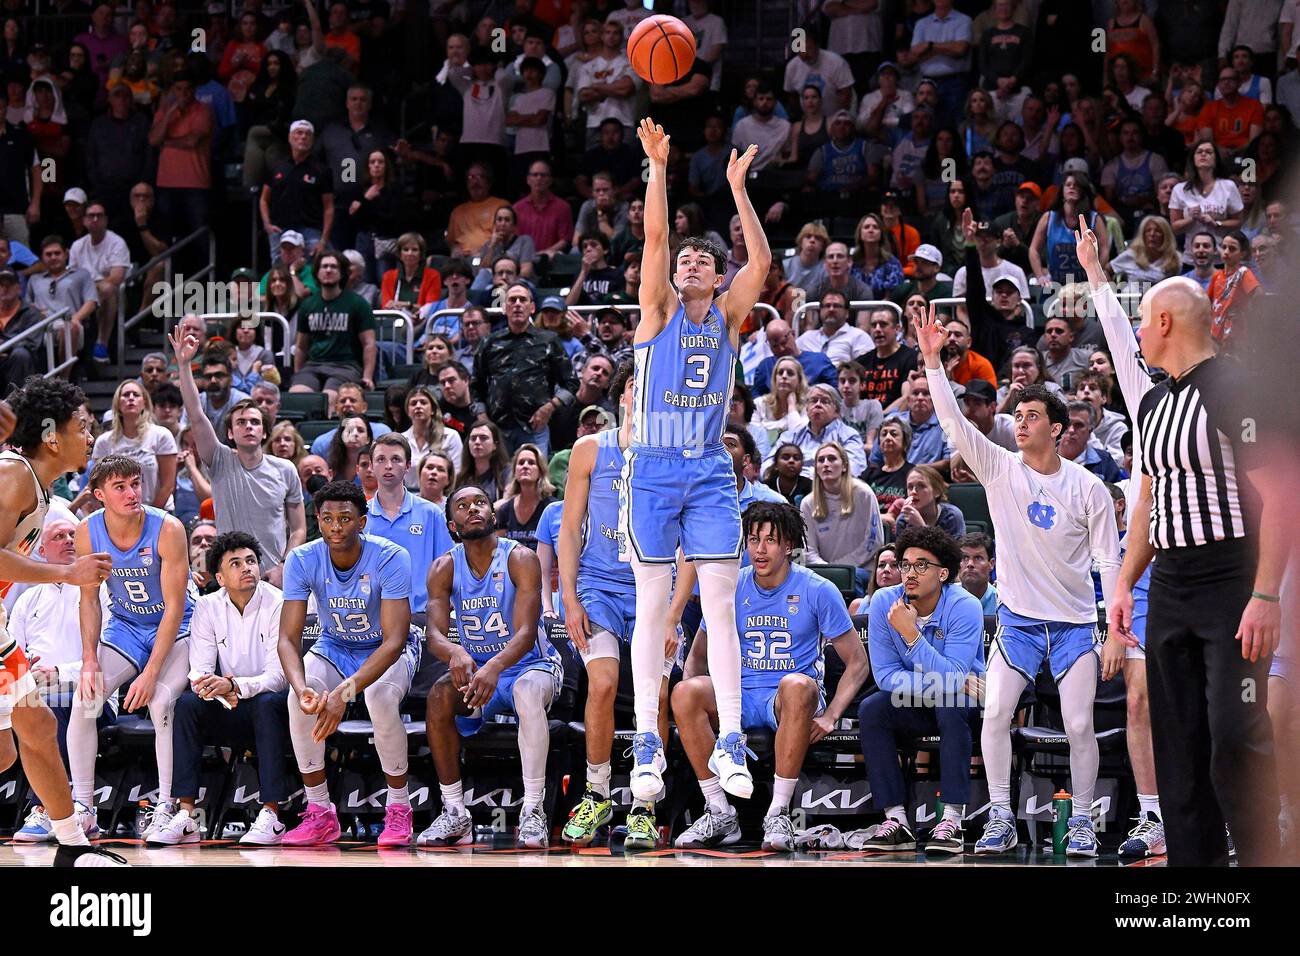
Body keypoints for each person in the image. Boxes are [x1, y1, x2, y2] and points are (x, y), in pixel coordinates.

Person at [1081, 226, 1282, 867]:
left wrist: (1265, 594)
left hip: (1232, 580)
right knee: (1179, 743)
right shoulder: (1154, 404)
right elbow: (1148, 501)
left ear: (1164, 320)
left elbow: (1281, 495)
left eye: (1144, 322)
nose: (1139, 333)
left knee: (1234, 735)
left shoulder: (1235, 389)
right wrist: (1121, 584)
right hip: (1169, 583)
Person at [914, 300, 1120, 858]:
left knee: (1079, 724)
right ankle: (1002, 816)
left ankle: (1081, 822)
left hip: (1077, 625)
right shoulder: (1001, 469)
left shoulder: (1088, 488)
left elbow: (1109, 563)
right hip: (1020, 623)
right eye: (1018, 415)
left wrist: (1115, 630)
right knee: (997, 712)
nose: (1018, 422)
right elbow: (954, 424)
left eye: (1030, 416)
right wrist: (934, 363)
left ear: (1054, 428)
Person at [622, 119, 771, 803]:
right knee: (652, 609)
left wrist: (739, 190)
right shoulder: (655, 312)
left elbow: (762, 266)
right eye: (684, 261)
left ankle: (733, 739)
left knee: (720, 603)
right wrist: (658, 167)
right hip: (652, 468)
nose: (688, 265)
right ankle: (646, 745)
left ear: (718, 276)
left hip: (709, 467)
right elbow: (656, 236)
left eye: (702, 262)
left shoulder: (730, 317)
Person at [674, 501, 865, 850]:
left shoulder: (819, 589)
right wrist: (697, 708)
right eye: (753, 539)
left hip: (788, 699)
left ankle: (778, 812)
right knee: (685, 692)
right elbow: (697, 656)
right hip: (737, 696)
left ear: (789, 545)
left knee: (795, 683)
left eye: (770, 540)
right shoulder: (731, 586)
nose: (759, 549)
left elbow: (857, 662)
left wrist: (832, 715)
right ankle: (719, 810)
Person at [557, 359, 678, 849]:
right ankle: (597, 790)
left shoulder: (678, 454)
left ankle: (645, 807)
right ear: (624, 394)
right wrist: (568, 599)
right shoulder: (590, 449)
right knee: (603, 682)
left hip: (655, 589)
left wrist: (673, 613)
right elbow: (568, 529)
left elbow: (690, 541)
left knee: (659, 696)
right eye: (635, 383)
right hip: (599, 586)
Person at [277, 480, 420, 847]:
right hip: (335, 645)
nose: (336, 526)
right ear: (317, 521)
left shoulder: (391, 556)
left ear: (362, 521)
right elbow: (288, 640)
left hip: (388, 649)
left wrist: (347, 690)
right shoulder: (302, 558)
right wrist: (301, 687)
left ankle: (400, 809)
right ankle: (320, 812)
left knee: (379, 698)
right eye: (327, 519)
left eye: (345, 518)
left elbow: (394, 640)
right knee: (299, 701)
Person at [420, 485, 563, 847]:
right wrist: (455, 652)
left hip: (533, 665)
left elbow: (528, 633)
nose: (473, 509)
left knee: (527, 692)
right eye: (463, 506)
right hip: (481, 672)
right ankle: (454, 813)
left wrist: (494, 666)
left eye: (480, 503)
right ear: (453, 524)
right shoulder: (443, 567)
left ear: (493, 514)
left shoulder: (520, 558)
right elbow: (433, 634)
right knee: (439, 697)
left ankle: (533, 811)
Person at [71, 455, 194, 846]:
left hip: (176, 630)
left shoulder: (168, 528)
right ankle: (84, 808)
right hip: (125, 626)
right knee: (83, 701)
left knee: (159, 700)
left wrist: (151, 670)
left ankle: (166, 806)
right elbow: (88, 600)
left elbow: (175, 607)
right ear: (99, 494)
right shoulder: (87, 532)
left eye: (135, 483)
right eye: (120, 486)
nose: (132, 493)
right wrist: (90, 659)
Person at [148, 532, 292, 846]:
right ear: (220, 577)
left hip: (269, 705)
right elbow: (199, 670)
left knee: (268, 703)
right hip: (229, 704)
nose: (247, 569)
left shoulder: (279, 603)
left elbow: (279, 676)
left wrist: (235, 686)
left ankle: (271, 815)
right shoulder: (207, 606)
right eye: (236, 564)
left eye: (251, 561)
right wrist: (216, 690)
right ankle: (186, 815)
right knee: (186, 705)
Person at [858, 525, 985, 853]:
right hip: (917, 701)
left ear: (943, 573)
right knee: (872, 708)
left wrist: (912, 635)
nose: (909, 572)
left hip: (965, 709)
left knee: (952, 703)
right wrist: (945, 682)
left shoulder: (965, 606)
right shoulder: (885, 602)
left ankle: (953, 819)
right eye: (905, 564)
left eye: (921, 565)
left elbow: (956, 677)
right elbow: (885, 676)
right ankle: (896, 820)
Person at [171, 326, 306, 587]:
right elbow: (196, 414)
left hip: (273, 577)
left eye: (254, 422)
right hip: (230, 577)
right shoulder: (220, 460)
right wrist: (184, 364)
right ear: (230, 433)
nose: (248, 426)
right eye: (241, 422)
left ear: (264, 430)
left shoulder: (286, 469)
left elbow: (299, 529)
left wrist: (284, 565)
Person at [365, 434, 455, 618]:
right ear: (372, 466)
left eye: (396, 459)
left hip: (421, 615)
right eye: (381, 459)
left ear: (407, 466)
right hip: (371, 617)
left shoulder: (432, 513)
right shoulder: (361, 516)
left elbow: (447, 567)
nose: (388, 466)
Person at [800, 441, 883, 594]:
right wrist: (829, 571)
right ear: (816, 469)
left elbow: (873, 542)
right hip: (824, 571)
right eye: (821, 460)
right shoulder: (808, 503)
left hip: (861, 569)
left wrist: (840, 570)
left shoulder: (864, 493)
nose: (826, 464)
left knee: (853, 577)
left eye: (832, 459)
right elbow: (808, 550)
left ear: (844, 466)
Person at [749, 318, 838, 399]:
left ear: (793, 334)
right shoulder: (765, 367)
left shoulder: (819, 361)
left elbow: (836, 392)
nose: (781, 349)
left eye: (784, 343)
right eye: (775, 346)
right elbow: (756, 399)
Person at [854, 306, 917, 408]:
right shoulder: (861, 362)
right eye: (874, 325)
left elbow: (907, 397)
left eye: (883, 325)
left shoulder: (910, 358)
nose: (877, 329)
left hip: (896, 418)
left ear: (897, 329)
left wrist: (881, 417)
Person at [1207, 229, 1260, 349]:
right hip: (1216, 332)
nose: (1226, 252)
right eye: (1224, 247)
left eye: (1232, 249)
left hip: (1235, 336)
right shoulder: (1217, 275)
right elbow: (1209, 301)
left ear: (1242, 253)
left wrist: (1245, 312)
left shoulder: (1243, 273)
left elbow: (1259, 294)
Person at [892, 464, 967, 540]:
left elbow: (953, 551)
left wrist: (921, 527)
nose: (913, 492)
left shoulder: (952, 516)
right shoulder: (903, 520)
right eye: (910, 487)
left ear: (937, 492)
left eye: (921, 486)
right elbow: (902, 551)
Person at [958, 531, 998, 616]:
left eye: (978, 558)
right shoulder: (943, 598)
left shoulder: (1002, 604)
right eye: (965, 557)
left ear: (991, 564)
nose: (970, 564)